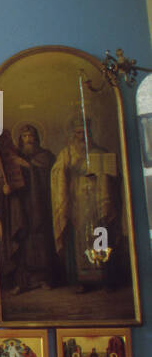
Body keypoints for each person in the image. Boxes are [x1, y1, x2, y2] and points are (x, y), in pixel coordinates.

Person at [51, 114, 120, 293]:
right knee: (79, 240)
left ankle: (104, 278)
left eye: (85, 132)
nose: (81, 136)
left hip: (97, 200)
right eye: (78, 133)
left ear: (90, 133)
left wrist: (105, 174)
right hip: (77, 203)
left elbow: (113, 177)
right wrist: (63, 169)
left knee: (100, 236)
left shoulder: (101, 152)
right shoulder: (66, 153)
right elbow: (57, 173)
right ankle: (83, 281)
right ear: (73, 134)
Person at [0, 123, 59, 295]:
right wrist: (4, 187)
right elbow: (2, 177)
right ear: (20, 139)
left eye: (31, 135)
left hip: (40, 206)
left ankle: (44, 279)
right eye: (24, 136)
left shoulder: (46, 156)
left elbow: (51, 178)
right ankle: (22, 281)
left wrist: (27, 166)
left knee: (41, 241)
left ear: (37, 137)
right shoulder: (14, 156)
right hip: (21, 207)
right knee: (22, 241)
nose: (28, 139)